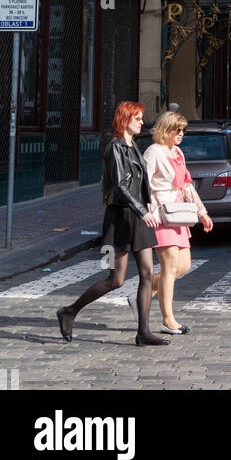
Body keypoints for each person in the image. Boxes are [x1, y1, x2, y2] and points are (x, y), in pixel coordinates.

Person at [56, 102, 167, 346]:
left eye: (141, 118)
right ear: (125, 120)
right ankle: (70, 311)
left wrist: (149, 206)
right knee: (115, 280)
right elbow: (120, 185)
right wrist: (142, 210)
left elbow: (140, 184)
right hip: (120, 218)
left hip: (138, 218)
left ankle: (143, 332)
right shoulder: (114, 148)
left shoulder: (135, 147)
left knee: (147, 273)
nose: (141, 121)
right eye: (137, 118)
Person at [144, 111, 213, 334]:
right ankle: (168, 320)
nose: (181, 134)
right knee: (169, 266)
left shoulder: (178, 152)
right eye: (177, 130)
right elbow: (144, 185)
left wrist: (202, 212)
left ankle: (141, 294)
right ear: (166, 129)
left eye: (183, 130)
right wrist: (149, 211)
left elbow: (186, 186)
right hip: (162, 214)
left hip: (179, 213)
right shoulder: (153, 152)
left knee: (182, 266)